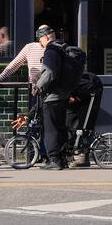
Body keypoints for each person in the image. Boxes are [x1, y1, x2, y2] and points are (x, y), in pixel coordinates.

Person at [32, 24, 73, 169]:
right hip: (64, 94)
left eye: (40, 40)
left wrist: (38, 86)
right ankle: (62, 159)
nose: (39, 43)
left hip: (52, 96)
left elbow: (49, 73)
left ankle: (54, 160)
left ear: (46, 37)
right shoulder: (63, 48)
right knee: (60, 127)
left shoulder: (51, 50)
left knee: (51, 129)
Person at [66, 70, 103, 167]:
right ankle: (79, 154)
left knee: (84, 123)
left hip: (90, 90)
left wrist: (75, 98)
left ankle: (81, 156)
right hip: (83, 90)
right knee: (74, 122)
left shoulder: (68, 79)